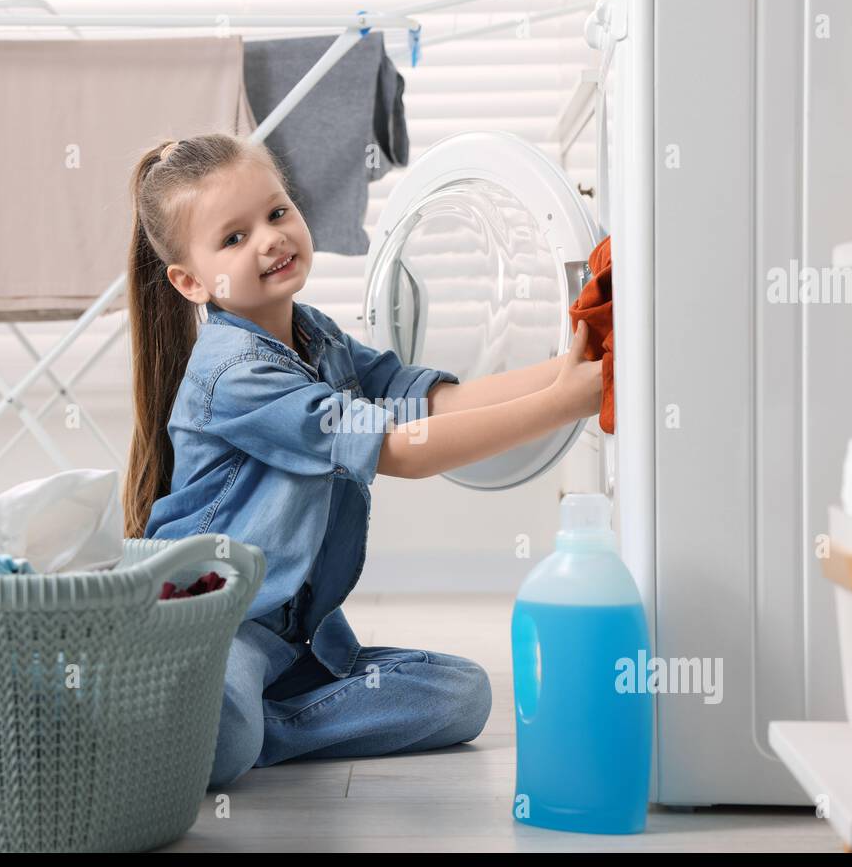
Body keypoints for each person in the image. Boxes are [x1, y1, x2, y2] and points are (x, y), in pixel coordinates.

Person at [124, 133, 603, 789]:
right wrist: (568, 402)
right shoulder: (235, 372)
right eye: (233, 238)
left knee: (464, 694)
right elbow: (401, 449)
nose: (269, 238)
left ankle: (263, 722)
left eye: (276, 212)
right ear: (189, 280)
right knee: (224, 734)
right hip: (212, 627)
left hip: (294, 641)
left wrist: (573, 373)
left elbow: (432, 404)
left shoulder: (315, 334)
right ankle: (238, 723)